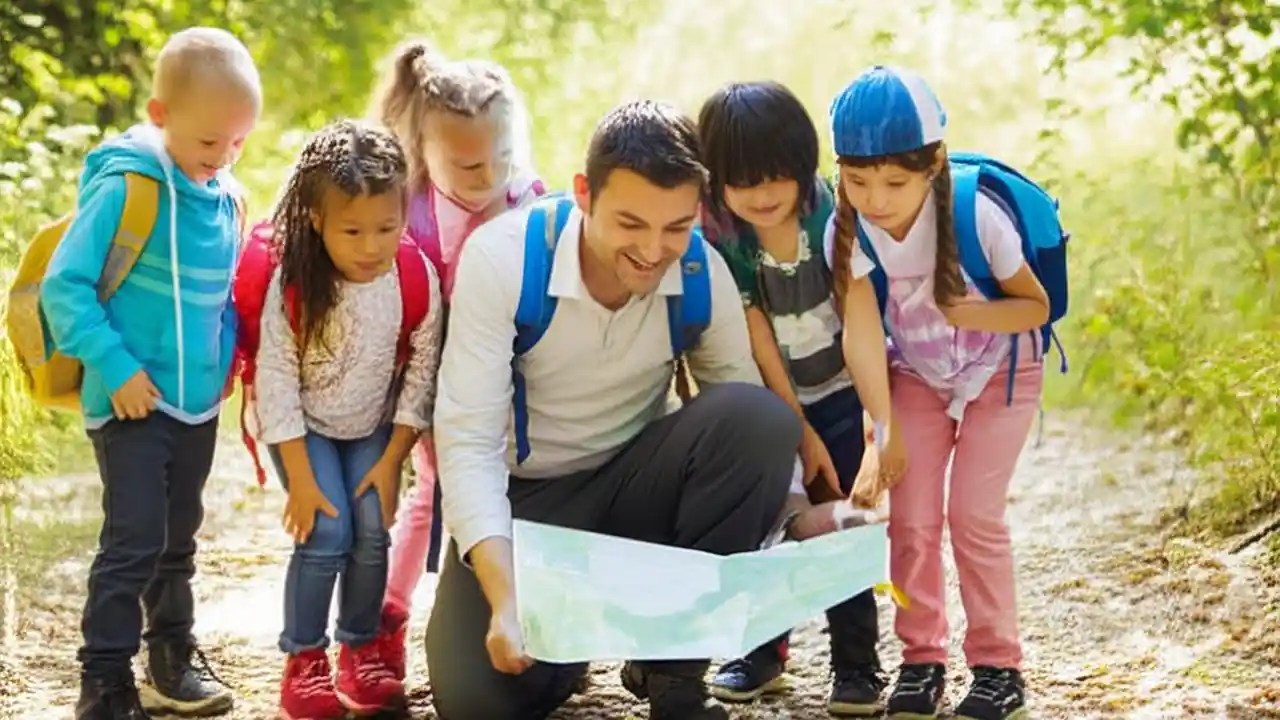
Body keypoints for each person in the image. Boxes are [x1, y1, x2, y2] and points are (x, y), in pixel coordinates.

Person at [426, 100, 801, 720]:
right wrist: (506, 598)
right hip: (530, 508)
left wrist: (800, 515)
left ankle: (675, 675)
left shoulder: (700, 272)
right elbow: (467, 444)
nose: (654, 250)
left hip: (635, 492)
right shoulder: (503, 260)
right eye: (631, 223)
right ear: (583, 194)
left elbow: (741, 432)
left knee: (761, 417)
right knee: (475, 703)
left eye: (676, 226)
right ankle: (572, 640)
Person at [40, 27, 261, 720]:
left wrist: (224, 362)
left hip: (194, 406)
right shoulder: (127, 188)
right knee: (132, 539)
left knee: (177, 540)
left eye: (237, 143)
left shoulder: (227, 197)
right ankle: (103, 679)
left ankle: (171, 658)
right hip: (131, 402)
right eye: (208, 144)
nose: (222, 158)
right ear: (160, 115)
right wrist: (116, 367)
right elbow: (64, 288)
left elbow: (222, 296)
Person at [828, 65, 1051, 720]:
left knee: (973, 517)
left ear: (933, 166)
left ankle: (998, 667)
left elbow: (1032, 308)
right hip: (919, 374)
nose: (875, 197)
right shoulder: (847, 228)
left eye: (894, 182)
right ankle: (921, 659)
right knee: (912, 519)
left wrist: (967, 311)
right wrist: (884, 426)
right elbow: (862, 334)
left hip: (1002, 372)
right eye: (857, 179)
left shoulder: (975, 214)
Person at [697, 80, 896, 717]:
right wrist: (794, 426)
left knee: (838, 522)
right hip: (776, 400)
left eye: (776, 176)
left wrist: (874, 421)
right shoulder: (727, 234)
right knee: (765, 520)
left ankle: (857, 662)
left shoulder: (830, 215)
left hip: (841, 390)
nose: (761, 194)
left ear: (803, 165)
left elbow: (859, 314)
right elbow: (754, 332)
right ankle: (760, 651)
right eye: (742, 180)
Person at [245, 120, 443, 719]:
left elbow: (422, 371)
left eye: (386, 228)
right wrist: (301, 480)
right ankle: (304, 661)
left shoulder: (414, 277)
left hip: (372, 432)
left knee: (370, 532)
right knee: (327, 531)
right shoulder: (295, 281)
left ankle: (360, 651)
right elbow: (274, 380)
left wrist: (392, 460)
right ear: (315, 219)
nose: (369, 246)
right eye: (351, 231)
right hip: (301, 428)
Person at [368, 39, 546, 679]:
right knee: (434, 497)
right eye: (469, 167)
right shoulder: (410, 217)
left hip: (515, 381)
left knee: (508, 490)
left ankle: (507, 616)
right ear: (424, 154)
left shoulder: (528, 200)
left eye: (502, 156)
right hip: (435, 382)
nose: (489, 176)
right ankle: (385, 623)